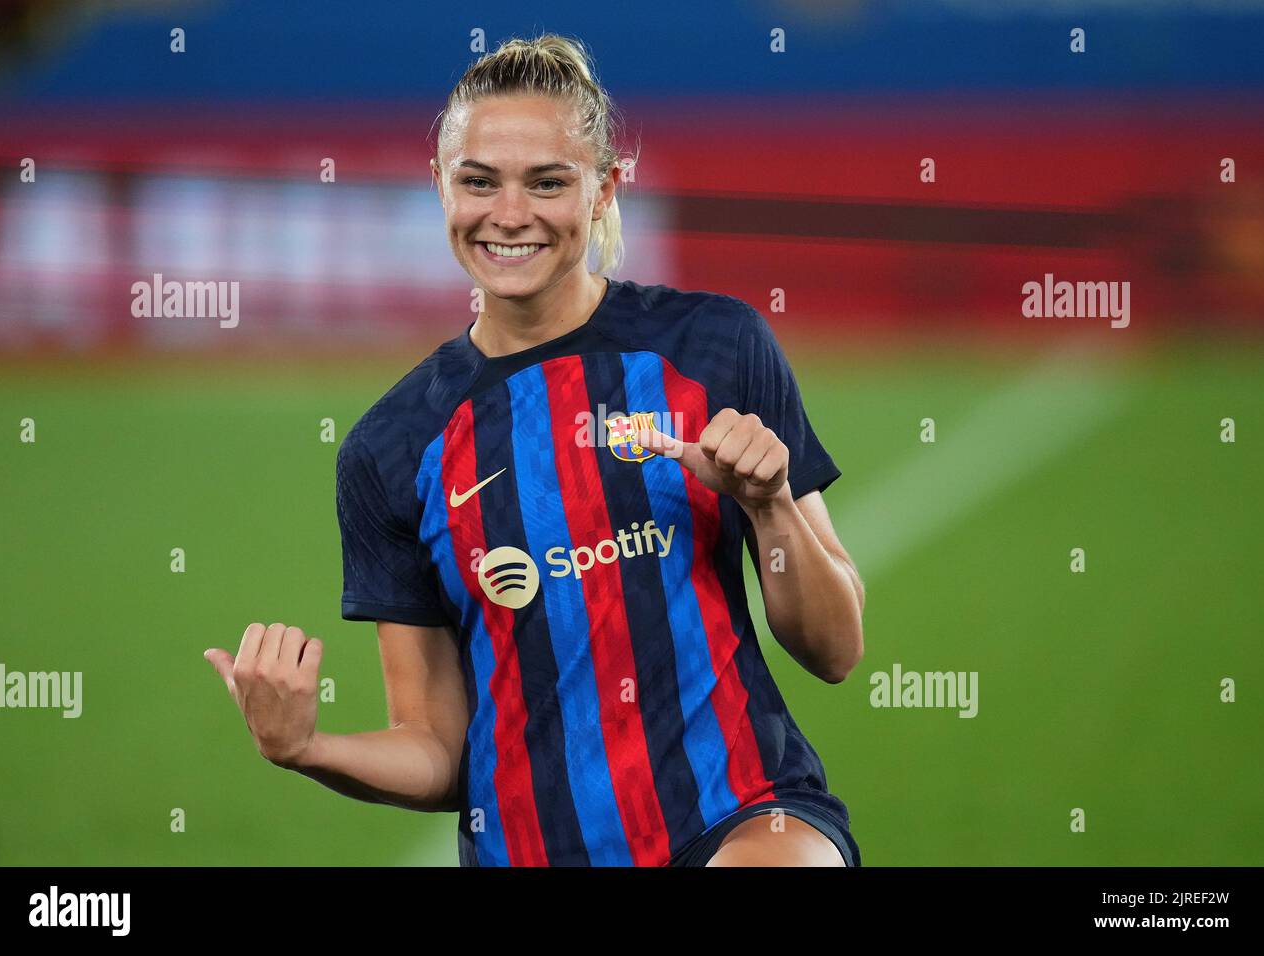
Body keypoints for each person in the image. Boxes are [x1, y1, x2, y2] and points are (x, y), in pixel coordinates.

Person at [204, 33, 866, 867]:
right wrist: (306, 748)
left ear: (602, 191)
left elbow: (836, 649)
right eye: (479, 182)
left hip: (744, 813)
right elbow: (440, 751)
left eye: (547, 182)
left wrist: (768, 507)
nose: (509, 215)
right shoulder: (391, 448)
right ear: (441, 185)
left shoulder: (716, 347)